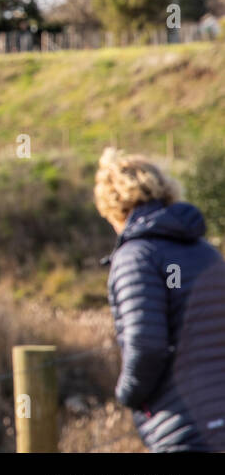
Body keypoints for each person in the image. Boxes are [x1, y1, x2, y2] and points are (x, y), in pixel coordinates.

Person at [95, 147, 225, 452]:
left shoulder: (135, 257)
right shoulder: (205, 252)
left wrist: (128, 395)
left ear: (113, 205)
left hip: (187, 426)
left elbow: (147, 346)